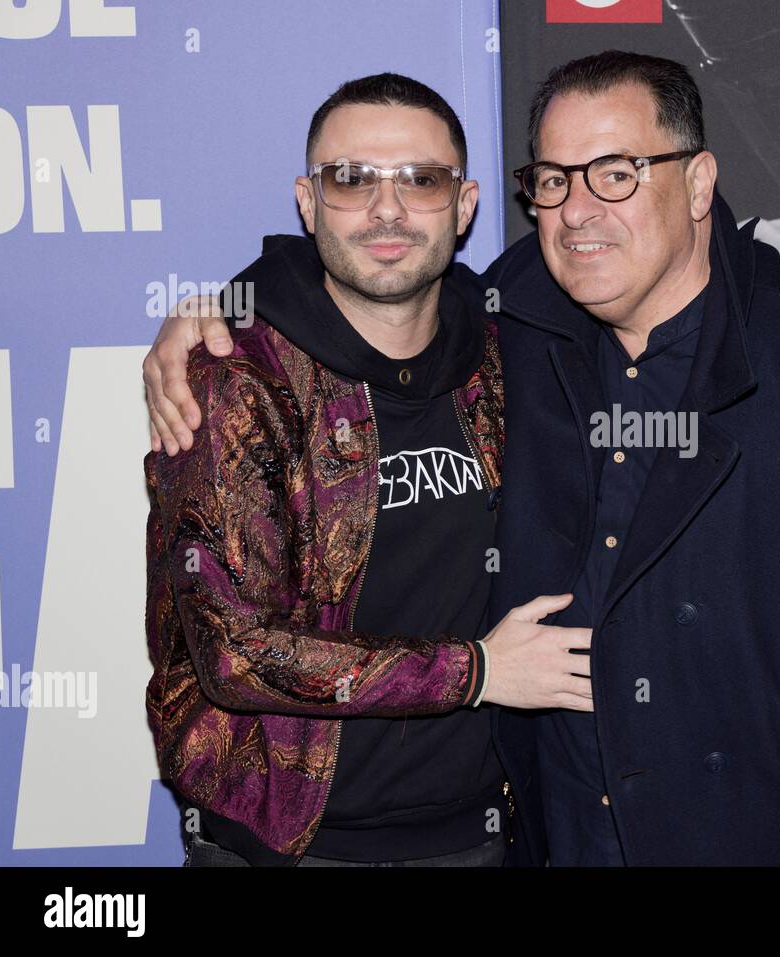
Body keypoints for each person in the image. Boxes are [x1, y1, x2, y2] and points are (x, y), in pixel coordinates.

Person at [145, 51, 780, 866]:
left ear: (698, 184)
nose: (580, 212)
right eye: (557, 181)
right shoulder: (516, 326)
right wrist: (218, 316)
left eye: (618, 173)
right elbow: (369, 272)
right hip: (567, 837)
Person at [143, 73, 590, 868]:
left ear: (467, 204)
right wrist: (476, 670)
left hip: (481, 837)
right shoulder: (235, 380)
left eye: (421, 179)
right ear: (308, 202)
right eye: (352, 180)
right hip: (284, 848)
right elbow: (233, 650)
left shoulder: (512, 342)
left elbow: (658, 263)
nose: (387, 209)